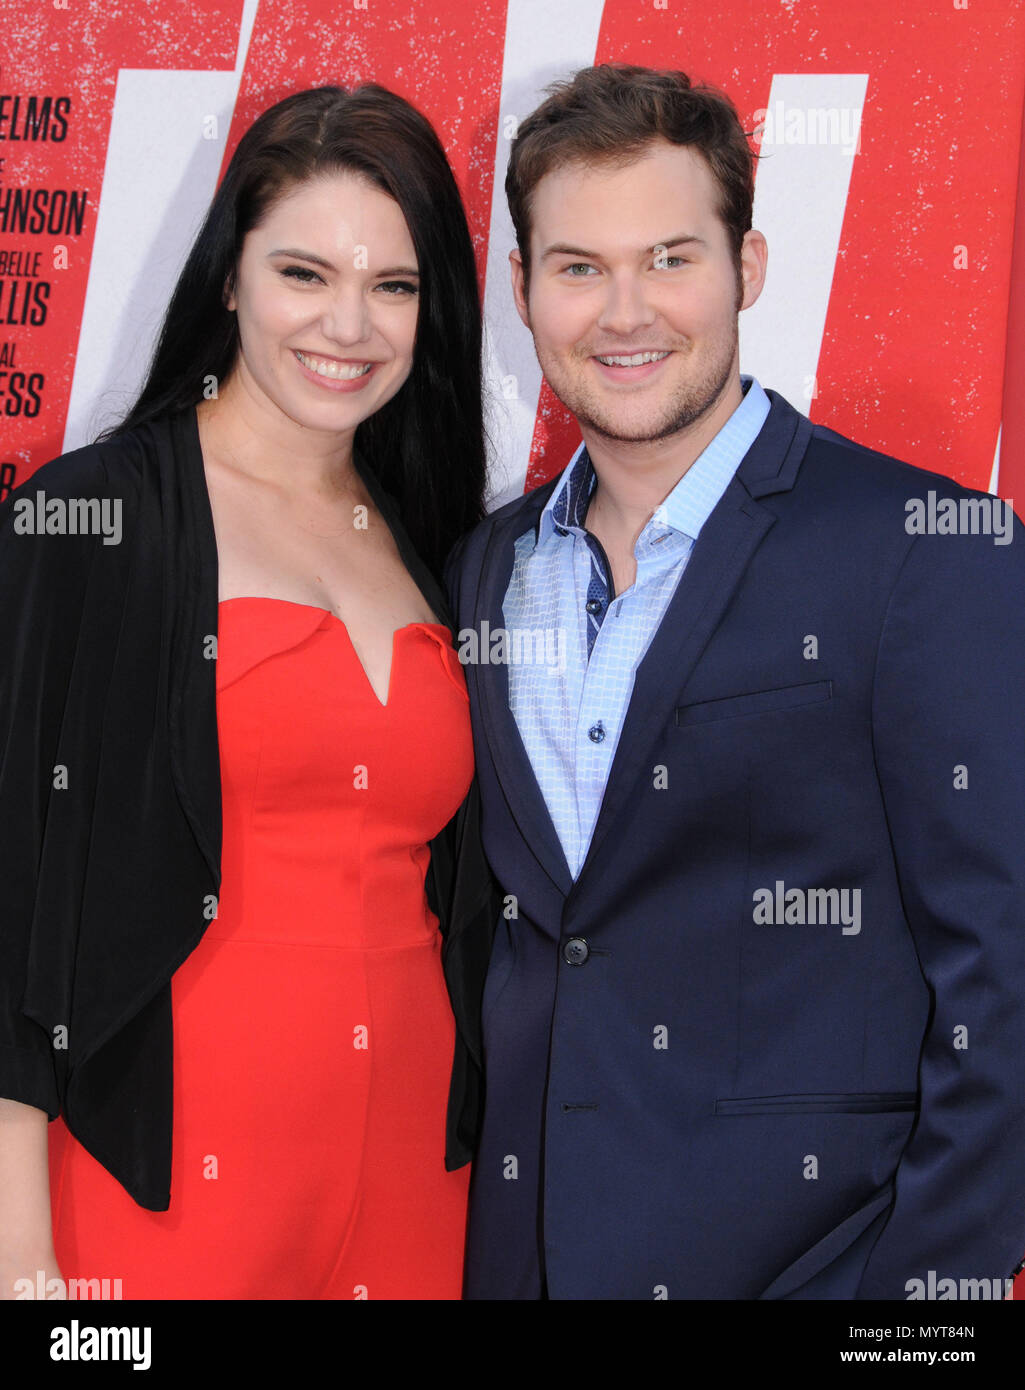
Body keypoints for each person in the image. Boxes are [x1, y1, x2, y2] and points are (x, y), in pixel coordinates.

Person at [445, 62, 1025, 1300]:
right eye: (578, 266)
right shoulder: (486, 572)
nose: (624, 312)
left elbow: (1005, 974)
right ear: (521, 288)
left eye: (669, 258)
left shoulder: (918, 551)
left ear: (744, 269)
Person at [0, 83, 495, 1300]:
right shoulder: (95, 517)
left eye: (395, 285)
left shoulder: (434, 538)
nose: (350, 325)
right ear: (229, 277)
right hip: (154, 1179)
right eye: (304, 274)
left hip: (411, 1180)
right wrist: (17, 1249)